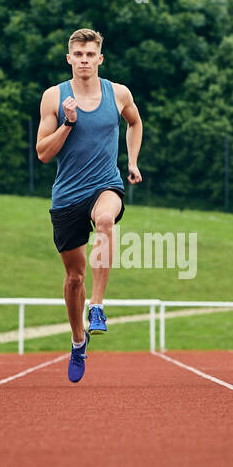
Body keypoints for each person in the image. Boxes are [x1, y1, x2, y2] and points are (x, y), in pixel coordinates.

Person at [35, 28, 143, 382]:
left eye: (90, 54)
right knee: (73, 277)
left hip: (105, 185)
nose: (84, 60)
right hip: (66, 196)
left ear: (100, 58)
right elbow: (43, 154)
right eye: (77, 55)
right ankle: (78, 339)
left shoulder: (119, 93)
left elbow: (135, 122)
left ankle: (97, 307)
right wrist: (68, 122)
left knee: (106, 222)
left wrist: (132, 162)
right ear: (69, 59)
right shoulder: (54, 97)